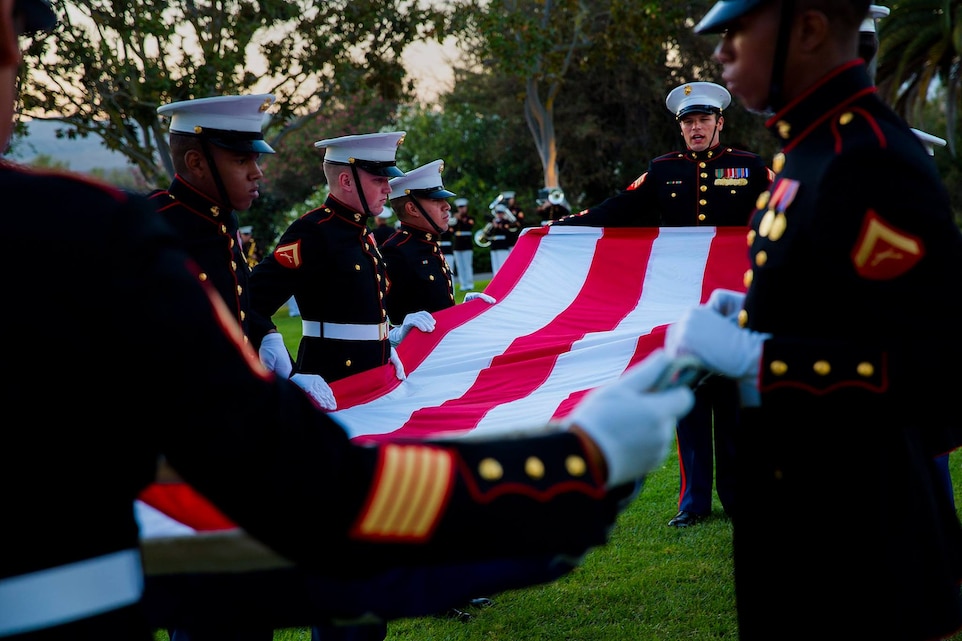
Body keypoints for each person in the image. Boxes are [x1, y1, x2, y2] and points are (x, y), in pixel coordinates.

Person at [0, 5, 706, 639]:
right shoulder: (97, 233)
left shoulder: (335, 235)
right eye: (242, 155)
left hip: (353, 391)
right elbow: (298, 470)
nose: (256, 171)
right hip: (305, 405)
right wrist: (567, 469)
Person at [665, 1, 962, 638]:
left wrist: (757, 358)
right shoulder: (811, 147)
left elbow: (930, 370)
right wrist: (754, 318)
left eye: (739, 31)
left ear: (808, 28)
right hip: (798, 509)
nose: (722, 52)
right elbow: (840, 306)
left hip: (860, 530)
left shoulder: (870, 157)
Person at [552, 81, 774, 528]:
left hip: (731, 306)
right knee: (688, 402)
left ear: (719, 123)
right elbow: (621, 208)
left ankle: (736, 497)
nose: (695, 128)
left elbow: (780, 211)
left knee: (731, 404)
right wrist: (564, 226)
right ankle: (692, 502)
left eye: (703, 120)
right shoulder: (663, 170)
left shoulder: (749, 167)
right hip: (680, 305)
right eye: (688, 122)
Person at [150, 94, 292, 385]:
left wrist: (265, 331)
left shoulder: (223, 219)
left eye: (255, 159)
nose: (257, 173)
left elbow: (231, 300)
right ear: (196, 163)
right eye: (241, 160)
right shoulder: (151, 227)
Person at [381, 159, 496, 324]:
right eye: (436, 200)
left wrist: (462, 309)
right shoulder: (396, 251)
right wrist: (398, 333)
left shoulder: (429, 244)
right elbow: (381, 317)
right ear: (412, 209)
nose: (447, 206)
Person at [450, 196, 476, 290]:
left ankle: (469, 283)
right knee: (459, 266)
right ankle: (463, 284)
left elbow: (469, 226)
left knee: (467, 265)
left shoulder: (469, 218)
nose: (461, 209)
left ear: (466, 207)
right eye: (460, 208)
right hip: (457, 245)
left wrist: (460, 219)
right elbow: (451, 230)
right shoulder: (455, 218)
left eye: (463, 207)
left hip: (467, 244)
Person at [486, 202, 518, 276]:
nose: (499, 215)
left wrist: (501, 227)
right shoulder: (493, 222)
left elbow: (510, 233)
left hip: (503, 245)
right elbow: (488, 234)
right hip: (494, 245)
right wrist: (493, 226)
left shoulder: (506, 222)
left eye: (500, 213)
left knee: (503, 264)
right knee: (495, 266)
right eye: (498, 213)